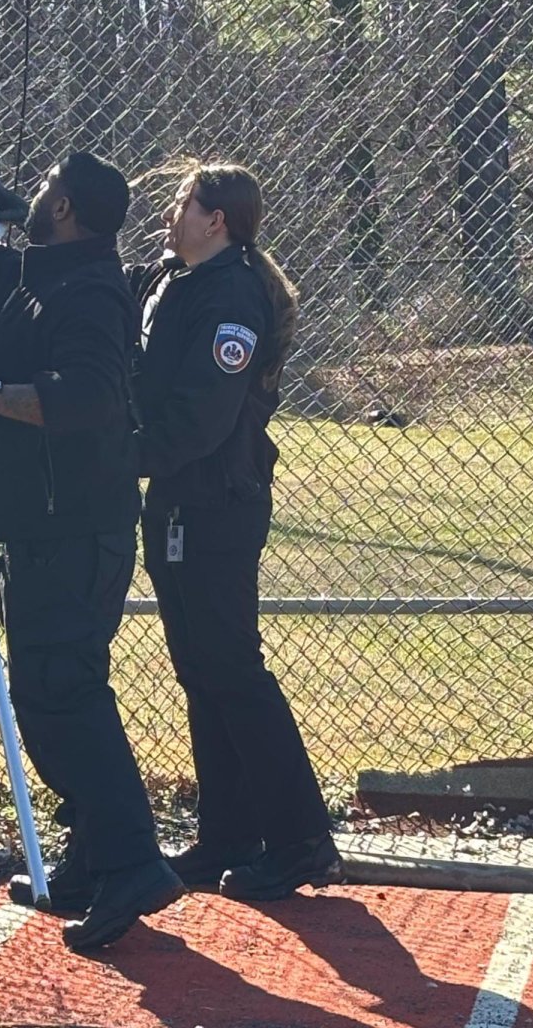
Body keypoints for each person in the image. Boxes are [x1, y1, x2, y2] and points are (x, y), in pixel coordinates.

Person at [0, 152, 184, 950]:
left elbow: (91, 397)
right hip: (43, 530)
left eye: (42, 189)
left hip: (74, 532)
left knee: (61, 693)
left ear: (63, 207)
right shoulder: (40, 275)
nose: (29, 195)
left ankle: (133, 860)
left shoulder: (90, 291)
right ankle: (95, 855)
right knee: (47, 690)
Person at [128, 161, 342, 900]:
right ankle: (227, 833)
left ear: (215, 218)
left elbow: (203, 417)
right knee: (201, 669)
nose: (171, 214)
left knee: (233, 670)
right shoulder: (174, 281)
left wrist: (120, 457)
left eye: (183, 203)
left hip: (216, 505)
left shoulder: (233, 297)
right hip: (179, 503)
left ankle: (301, 841)